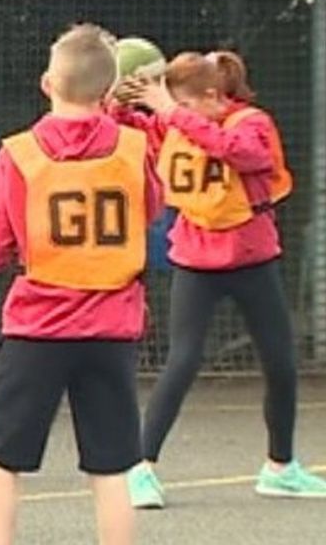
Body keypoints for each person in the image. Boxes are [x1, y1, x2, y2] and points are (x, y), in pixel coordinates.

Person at [0, 24, 163, 545]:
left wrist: (7, 255)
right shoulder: (133, 147)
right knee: (111, 467)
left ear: (47, 83)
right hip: (113, 326)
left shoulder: (20, 153)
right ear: (106, 92)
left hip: (39, 325)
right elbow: (152, 207)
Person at [120, 50, 326, 507]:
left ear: (213, 96)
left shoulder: (252, 123)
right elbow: (133, 129)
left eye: (187, 106)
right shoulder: (176, 120)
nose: (177, 115)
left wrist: (174, 112)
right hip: (196, 258)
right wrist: (118, 97)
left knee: (281, 364)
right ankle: (141, 468)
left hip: (252, 258)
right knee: (184, 359)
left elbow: (243, 154)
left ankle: (281, 467)